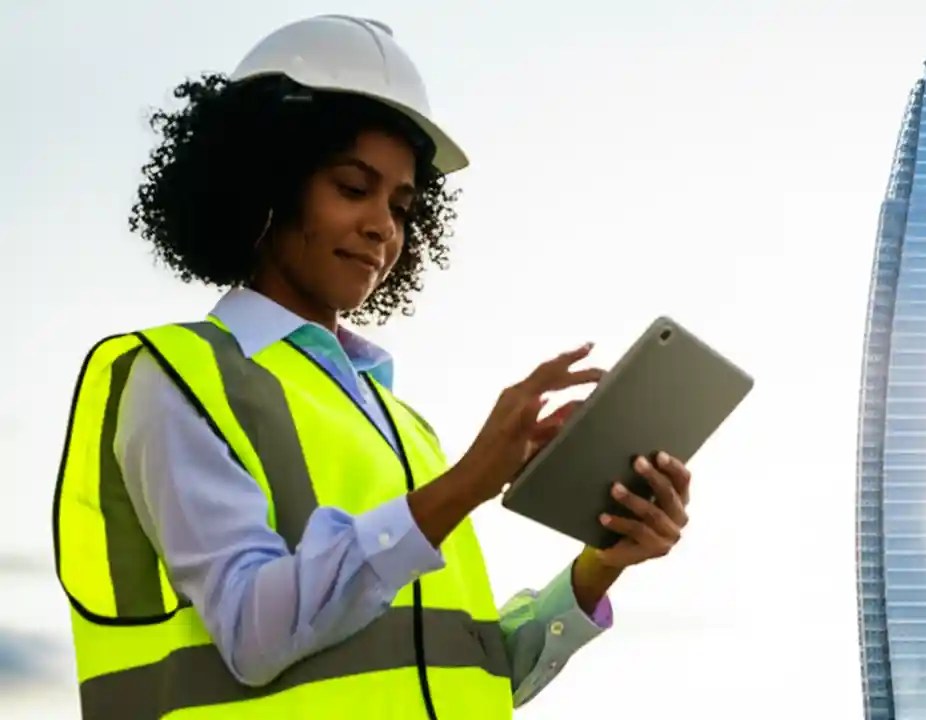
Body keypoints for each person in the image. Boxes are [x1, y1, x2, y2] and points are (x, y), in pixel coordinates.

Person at [51, 15, 694, 720]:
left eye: (401, 204)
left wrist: (599, 566)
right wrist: (468, 483)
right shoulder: (174, 378)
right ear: (265, 184)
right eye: (353, 188)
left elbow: (459, 678)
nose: (384, 226)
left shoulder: (398, 425)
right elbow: (252, 632)